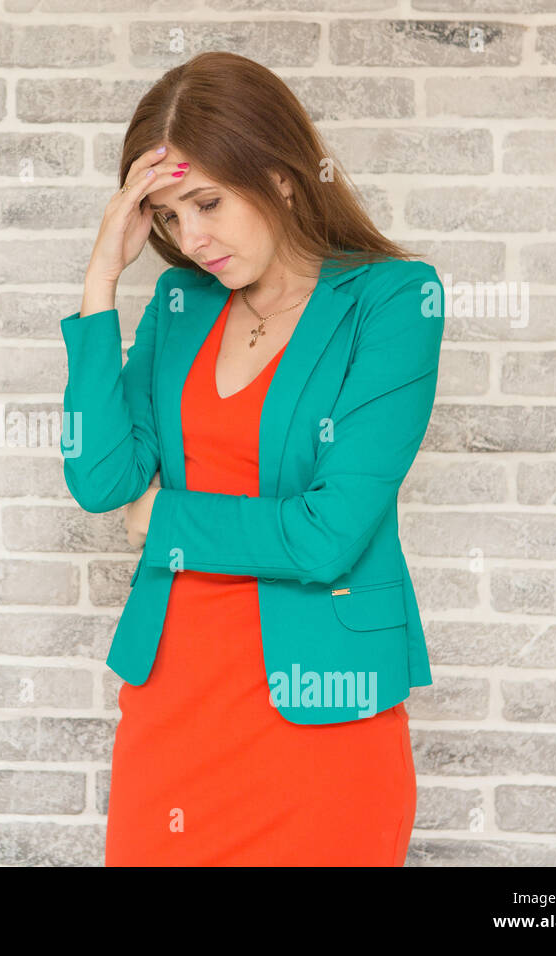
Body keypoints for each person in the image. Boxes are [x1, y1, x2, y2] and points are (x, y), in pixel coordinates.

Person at [60, 52, 444, 865]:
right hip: (173, 706)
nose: (189, 239)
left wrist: (162, 519)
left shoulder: (393, 301)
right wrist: (101, 283)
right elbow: (99, 480)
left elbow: (327, 533)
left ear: (282, 178)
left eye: (206, 202)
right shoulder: (178, 307)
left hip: (320, 716)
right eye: (165, 217)